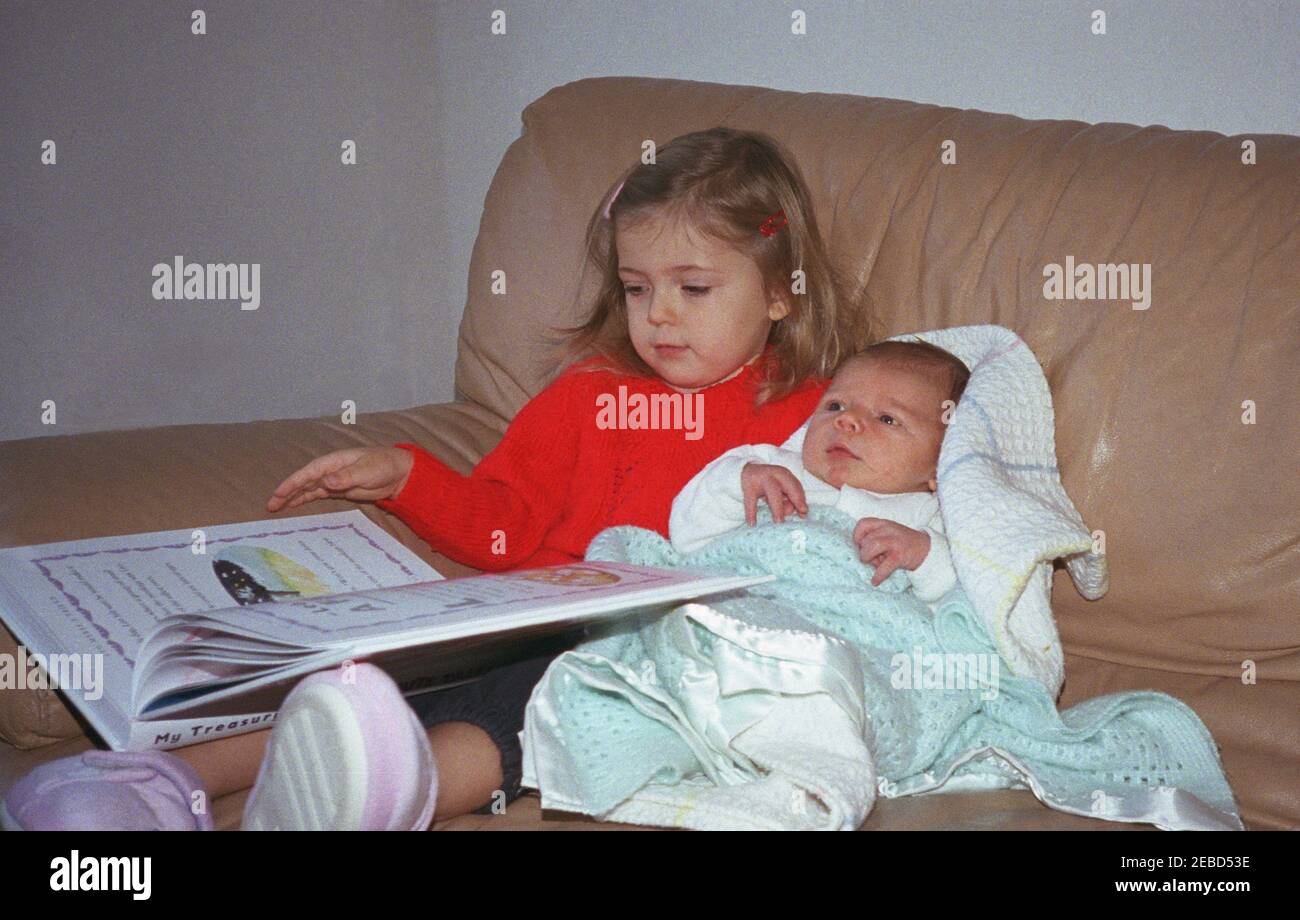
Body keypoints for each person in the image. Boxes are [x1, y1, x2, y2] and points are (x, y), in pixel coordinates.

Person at [2, 126, 861, 831]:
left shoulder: (817, 408)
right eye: (637, 289)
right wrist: (405, 476)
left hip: (649, 655)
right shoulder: (585, 396)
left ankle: (367, 800)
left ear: (781, 295)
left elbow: (852, 524)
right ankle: (150, 784)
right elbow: (504, 524)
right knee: (364, 682)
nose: (659, 314)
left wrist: (782, 475)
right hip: (528, 611)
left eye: (694, 287)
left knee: (527, 706)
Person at [670, 340, 969, 603]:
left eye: (887, 419)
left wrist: (923, 556)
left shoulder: (930, 520)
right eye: (835, 405)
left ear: (941, 461)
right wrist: (738, 483)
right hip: (741, 603)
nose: (847, 420)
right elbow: (688, 537)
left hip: (848, 634)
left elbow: (967, 601)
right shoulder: (772, 468)